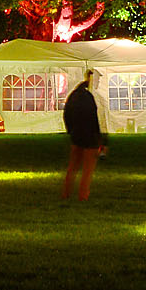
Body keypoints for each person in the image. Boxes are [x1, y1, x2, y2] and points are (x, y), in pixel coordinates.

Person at [62, 68, 107, 200]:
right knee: (87, 169)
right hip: (89, 138)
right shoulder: (89, 97)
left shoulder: (74, 95)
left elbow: (67, 115)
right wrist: (100, 140)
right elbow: (94, 120)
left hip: (77, 135)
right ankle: (83, 195)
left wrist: (70, 130)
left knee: (73, 167)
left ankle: (66, 192)